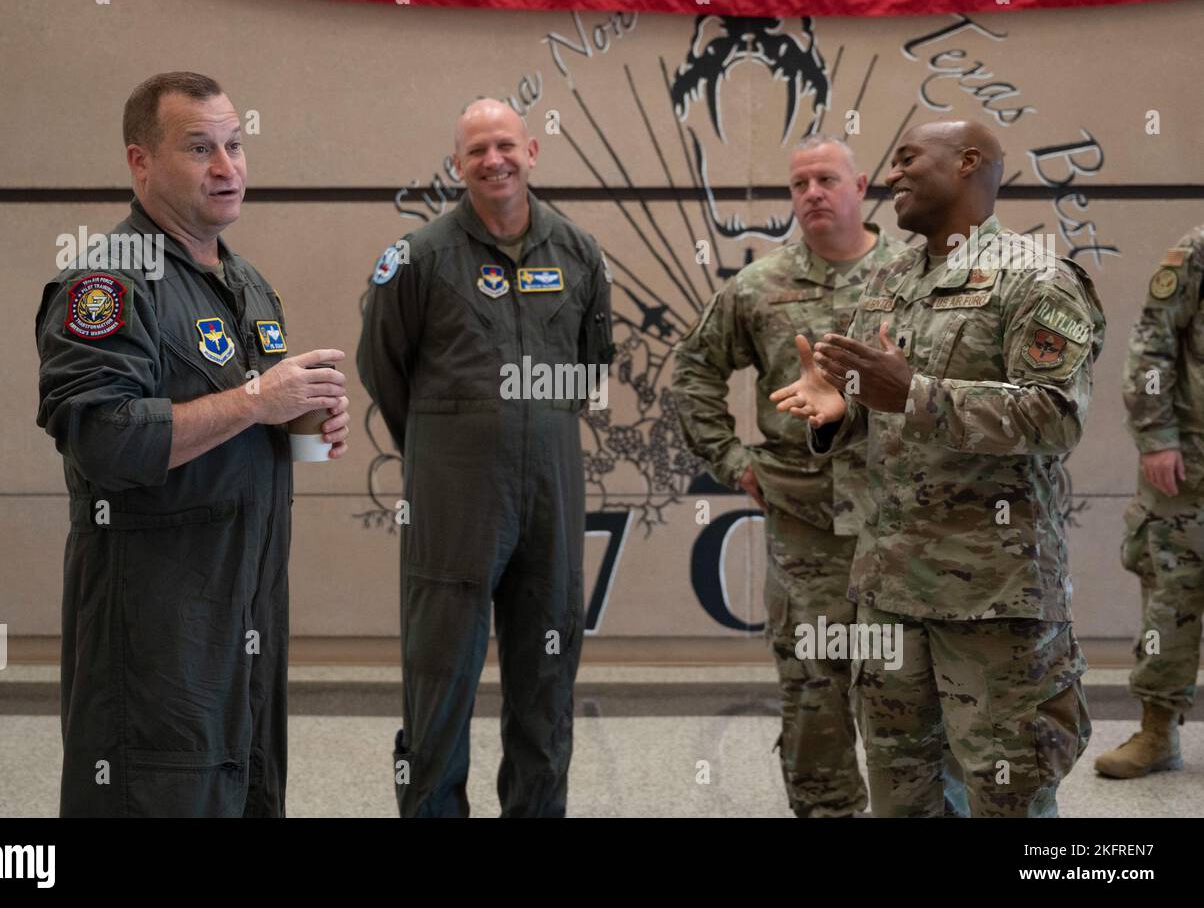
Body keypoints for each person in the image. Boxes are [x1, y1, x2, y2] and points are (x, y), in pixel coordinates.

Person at [35, 72, 350, 817]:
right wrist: (255, 401)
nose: (228, 167)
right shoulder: (104, 284)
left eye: (236, 146)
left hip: (248, 621)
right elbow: (103, 440)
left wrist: (304, 426)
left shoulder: (247, 283)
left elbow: (253, 420)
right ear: (140, 162)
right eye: (201, 148)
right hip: (156, 637)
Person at [772, 120, 1103, 817]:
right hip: (890, 591)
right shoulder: (888, 277)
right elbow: (877, 404)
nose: (893, 176)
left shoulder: (1036, 276)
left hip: (994, 601)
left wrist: (915, 393)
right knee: (903, 798)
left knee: (1006, 797)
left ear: (968, 163)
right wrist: (841, 412)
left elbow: (1055, 415)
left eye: (908, 159)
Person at [358, 98, 614, 817]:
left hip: (551, 496)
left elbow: (592, 367)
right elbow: (382, 366)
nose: (493, 160)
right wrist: (452, 438)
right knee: (438, 686)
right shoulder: (416, 257)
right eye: (476, 150)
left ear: (532, 150)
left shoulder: (579, 252)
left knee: (547, 686)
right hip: (454, 497)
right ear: (458, 164)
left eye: (505, 145)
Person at [672, 135, 907, 817]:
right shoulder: (759, 287)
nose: (812, 193)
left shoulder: (913, 277)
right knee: (813, 683)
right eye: (800, 183)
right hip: (806, 520)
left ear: (861, 186)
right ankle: (827, 809)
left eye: (827, 179)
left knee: (908, 680)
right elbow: (693, 373)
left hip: (905, 520)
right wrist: (734, 462)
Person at [1096, 225, 1204, 779]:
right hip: (1190, 470)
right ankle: (1158, 732)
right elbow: (1152, 343)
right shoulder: (1196, 252)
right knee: (1173, 596)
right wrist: (1157, 435)